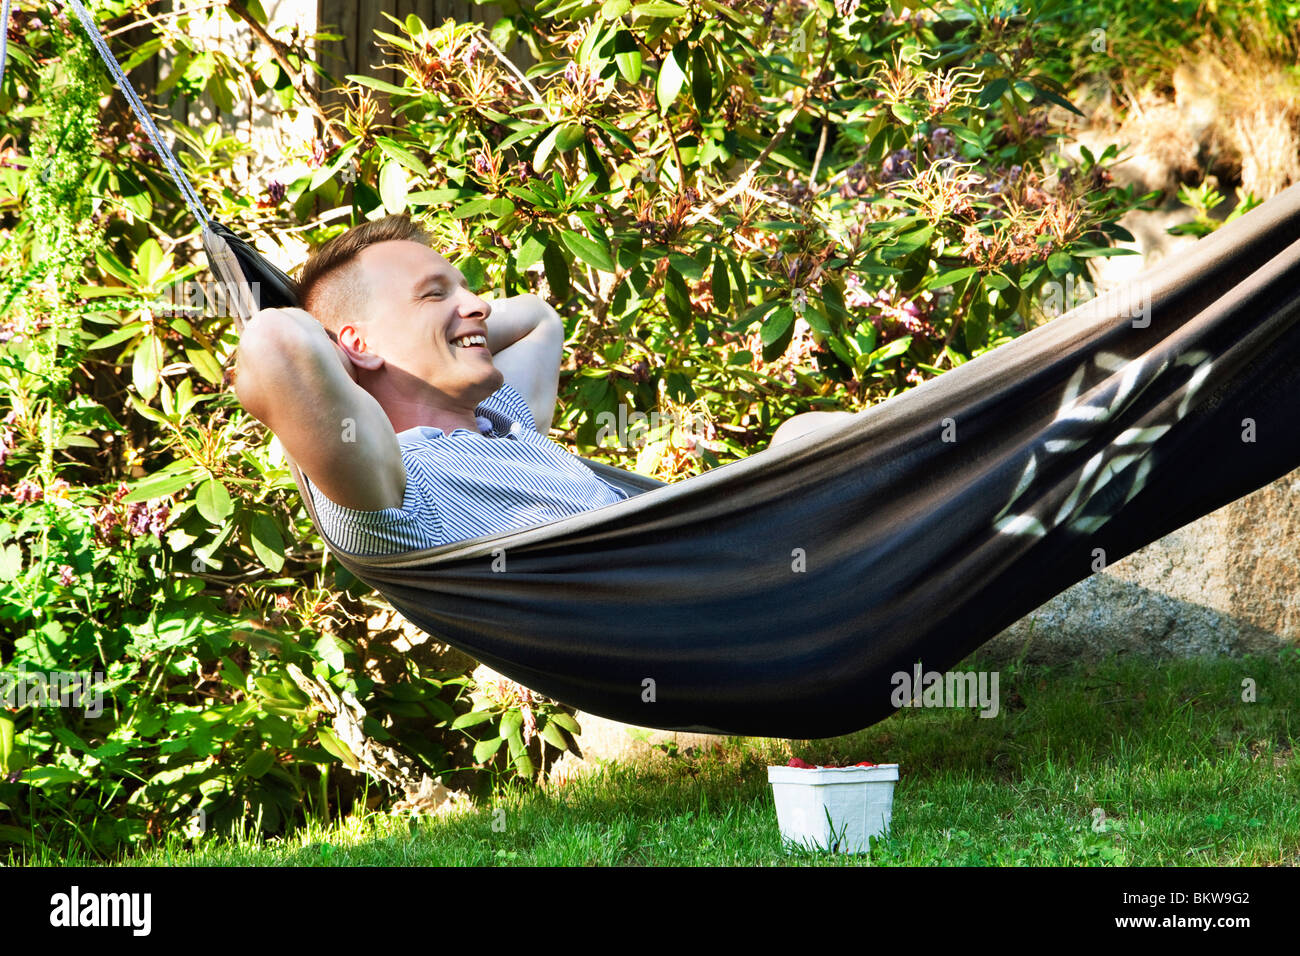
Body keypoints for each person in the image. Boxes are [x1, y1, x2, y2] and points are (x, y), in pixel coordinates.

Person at [234, 215, 851, 556]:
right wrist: (364, 361)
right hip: (721, 585)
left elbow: (537, 318)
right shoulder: (391, 489)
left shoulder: (508, 421)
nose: (477, 304)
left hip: (742, 544)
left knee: (810, 435)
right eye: (434, 293)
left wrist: (448, 325)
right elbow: (274, 346)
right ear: (354, 345)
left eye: (467, 289)